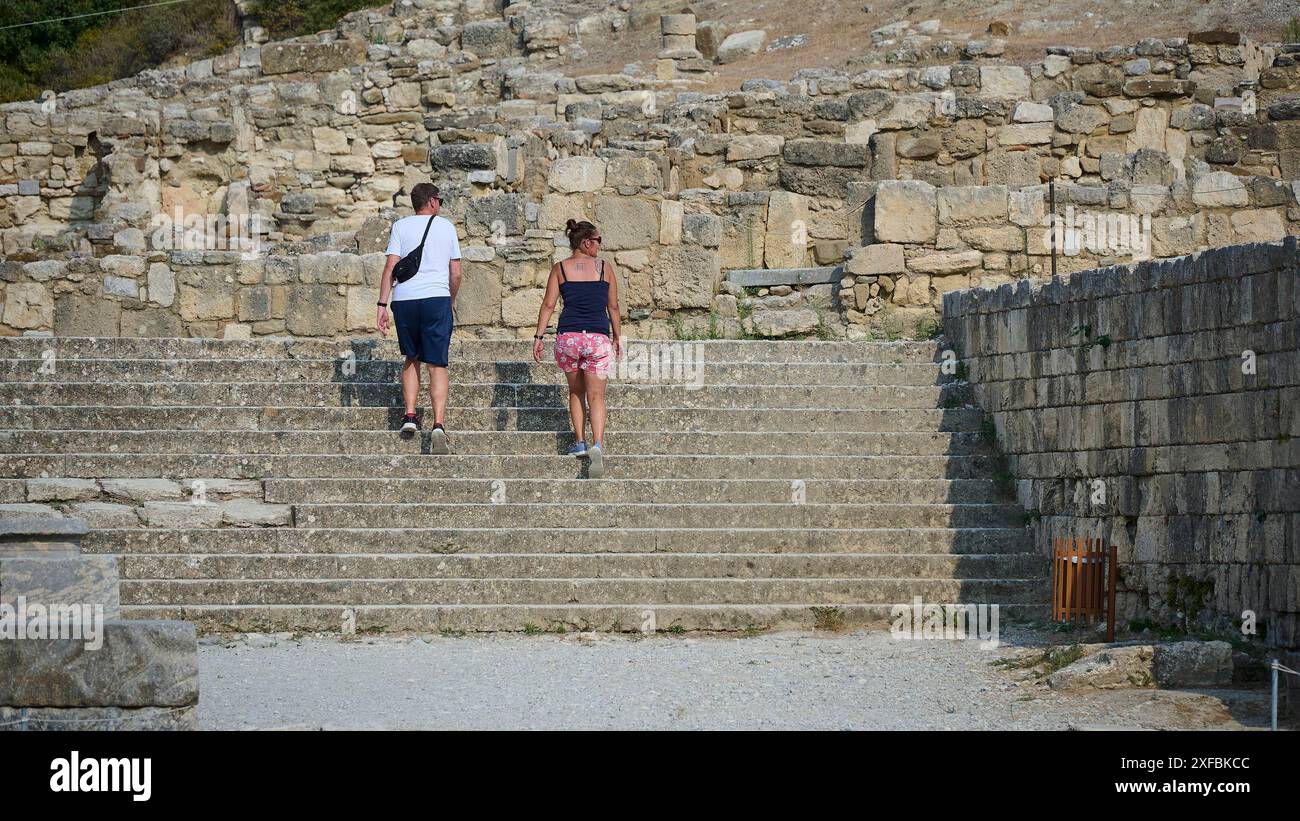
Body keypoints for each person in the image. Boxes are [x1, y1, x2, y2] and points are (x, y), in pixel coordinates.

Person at [533, 219, 622, 478]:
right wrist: (617, 337)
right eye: (598, 241)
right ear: (586, 242)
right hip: (596, 338)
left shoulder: (560, 269)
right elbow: (613, 307)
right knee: (597, 397)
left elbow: (548, 305)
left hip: (568, 338)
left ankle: (580, 442)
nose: (599, 246)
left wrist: (539, 336)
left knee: (576, 392)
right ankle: (598, 444)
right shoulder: (605, 268)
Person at [376, 183, 462, 452]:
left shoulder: (400, 226)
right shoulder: (446, 227)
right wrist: (450, 300)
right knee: (437, 364)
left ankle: (410, 415)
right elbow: (456, 273)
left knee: (411, 357)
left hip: (404, 299)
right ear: (433, 201)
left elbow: (391, 266)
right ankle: (438, 424)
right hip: (436, 298)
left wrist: (381, 304)